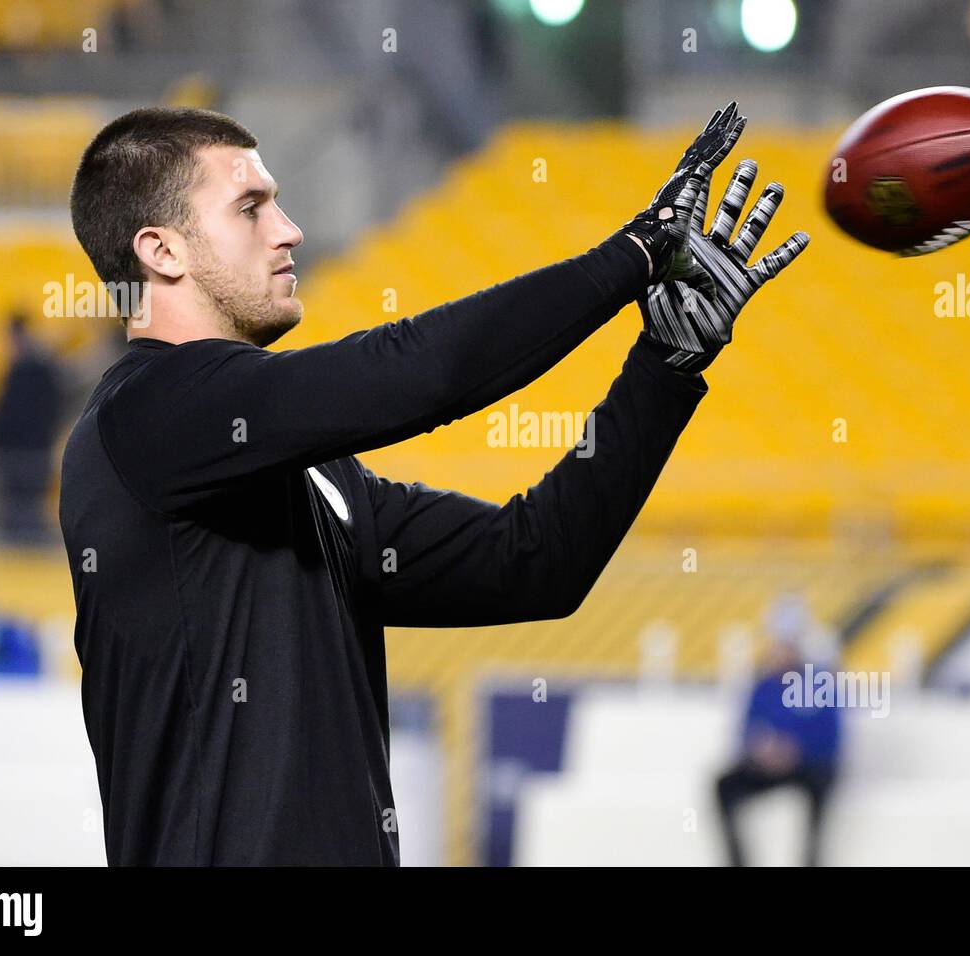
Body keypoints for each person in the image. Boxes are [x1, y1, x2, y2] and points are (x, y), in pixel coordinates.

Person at [59, 104, 809, 865]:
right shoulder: (143, 415)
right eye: (250, 208)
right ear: (161, 250)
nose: (289, 230)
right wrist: (637, 253)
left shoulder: (310, 474)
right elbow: (414, 371)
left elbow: (537, 561)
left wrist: (663, 367)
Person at [716, 594, 842, 867]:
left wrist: (797, 750)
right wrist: (761, 750)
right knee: (723, 784)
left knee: (821, 787)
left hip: (809, 766)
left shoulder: (819, 683)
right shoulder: (763, 685)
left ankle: (810, 861)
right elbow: (747, 730)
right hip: (769, 766)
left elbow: (832, 737)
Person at [0, 314, 63, 542]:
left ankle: (26, 549)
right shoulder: (30, 366)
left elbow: (39, 410)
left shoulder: (31, 367)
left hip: (28, 450)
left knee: (24, 507)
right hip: (23, 449)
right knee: (19, 507)